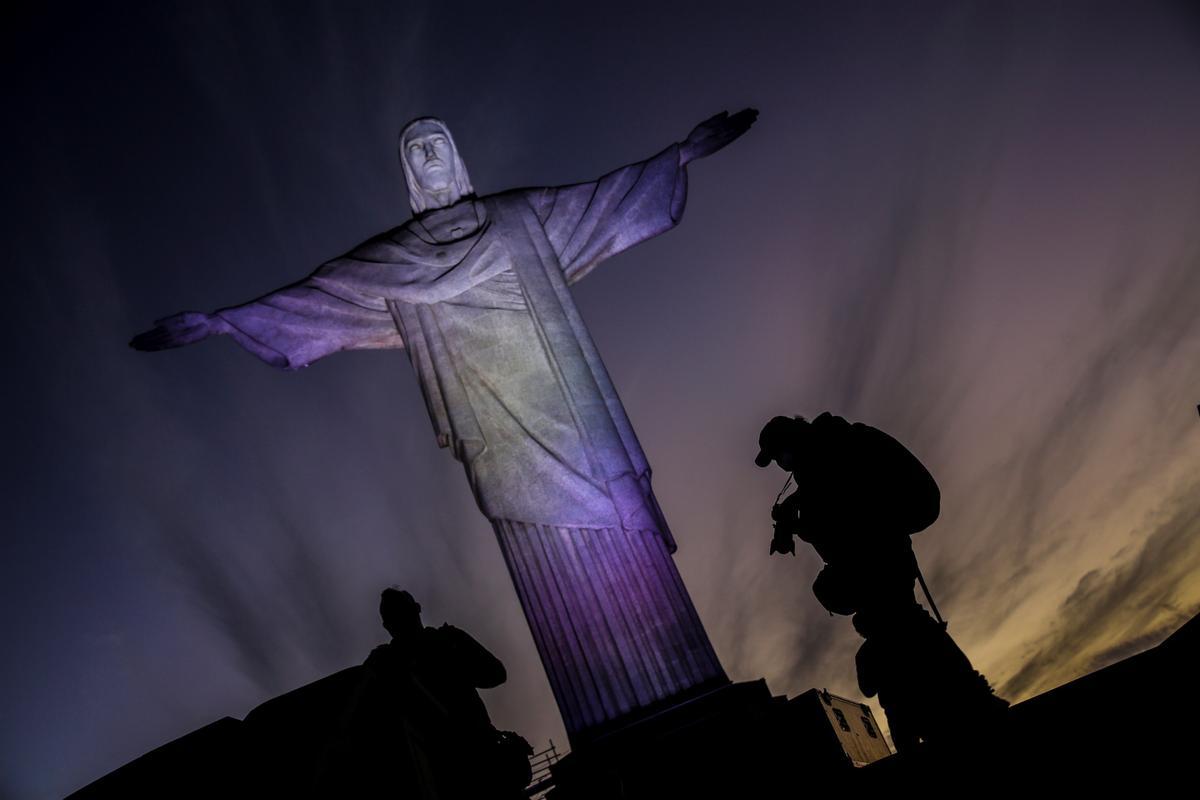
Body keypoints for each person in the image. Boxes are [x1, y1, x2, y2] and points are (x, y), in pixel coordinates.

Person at [131, 110, 757, 740]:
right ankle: (610, 731)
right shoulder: (394, 261)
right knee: (546, 553)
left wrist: (681, 155)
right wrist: (222, 323)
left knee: (620, 521)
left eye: (438, 143)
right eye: (417, 148)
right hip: (497, 434)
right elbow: (315, 300)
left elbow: (603, 201)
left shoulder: (519, 216)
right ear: (408, 170)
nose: (429, 153)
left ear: (456, 157)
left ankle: (685, 698)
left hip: (570, 409)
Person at [756, 412, 1007, 751]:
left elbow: (841, 514)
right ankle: (957, 703)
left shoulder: (831, 454)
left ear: (791, 442)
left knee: (895, 625)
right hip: (880, 553)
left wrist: (796, 523)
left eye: (780, 456)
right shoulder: (822, 459)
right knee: (901, 623)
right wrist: (792, 518)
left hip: (879, 553)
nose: (782, 466)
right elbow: (828, 508)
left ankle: (945, 709)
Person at [365, 588, 530, 797]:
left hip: (473, 757)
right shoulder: (385, 661)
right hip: (439, 768)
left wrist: (456, 666)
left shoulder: (445, 641)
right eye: (396, 617)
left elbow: (496, 673)